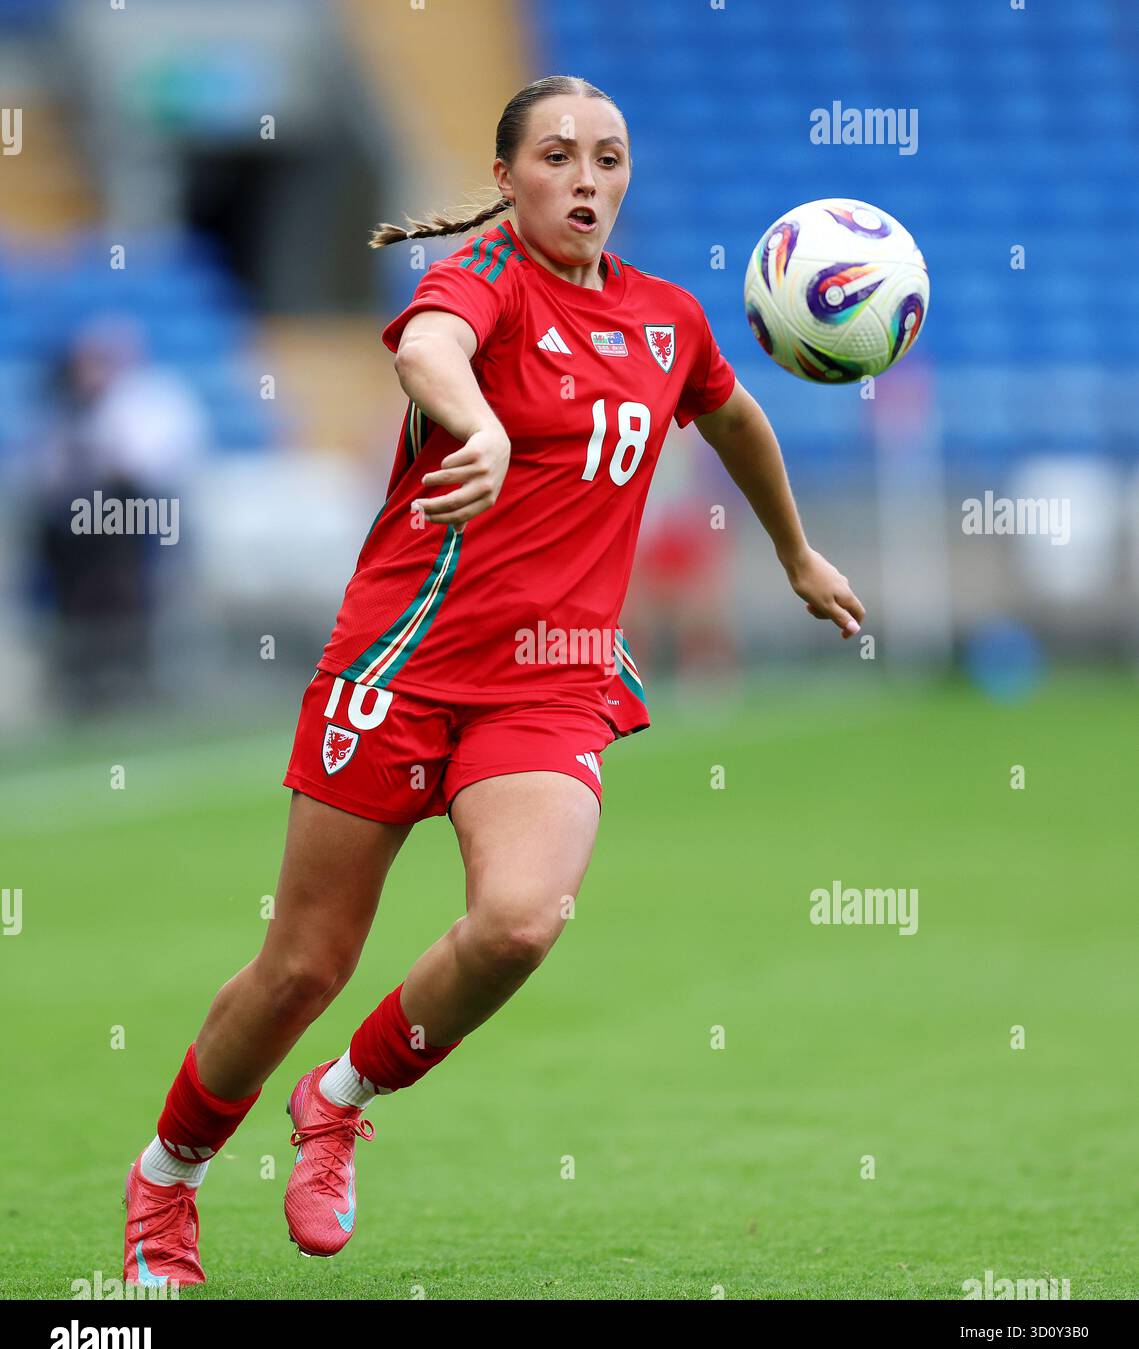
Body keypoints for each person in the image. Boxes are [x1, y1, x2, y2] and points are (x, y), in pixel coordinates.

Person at [122, 73, 864, 1287]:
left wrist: (792, 549)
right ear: (508, 176)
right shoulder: (479, 280)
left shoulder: (666, 320)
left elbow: (734, 422)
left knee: (519, 923)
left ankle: (341, 1096)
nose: (586, 177)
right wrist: (482, 428)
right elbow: (426, 348)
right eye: (559, 155)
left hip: (551, 682)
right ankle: (169, 1177)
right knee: (302, 964)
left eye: (609, 158)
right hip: (401, 661)